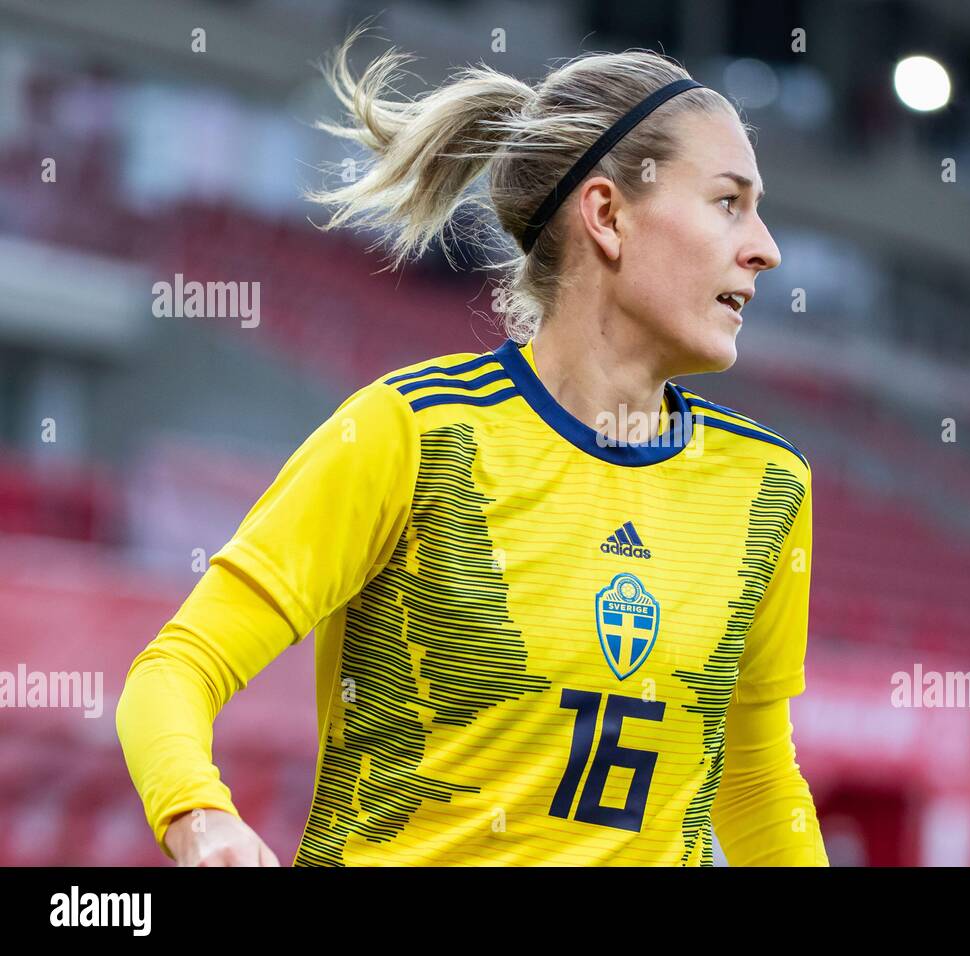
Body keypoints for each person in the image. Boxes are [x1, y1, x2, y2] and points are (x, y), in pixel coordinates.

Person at [116, 26, 828, 866]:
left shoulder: (767, 488)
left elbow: (754, 783)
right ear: (607, 214)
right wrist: (202, 820)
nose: (766, 248)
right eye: (727, 202)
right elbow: (173, 672)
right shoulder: (408, 434)